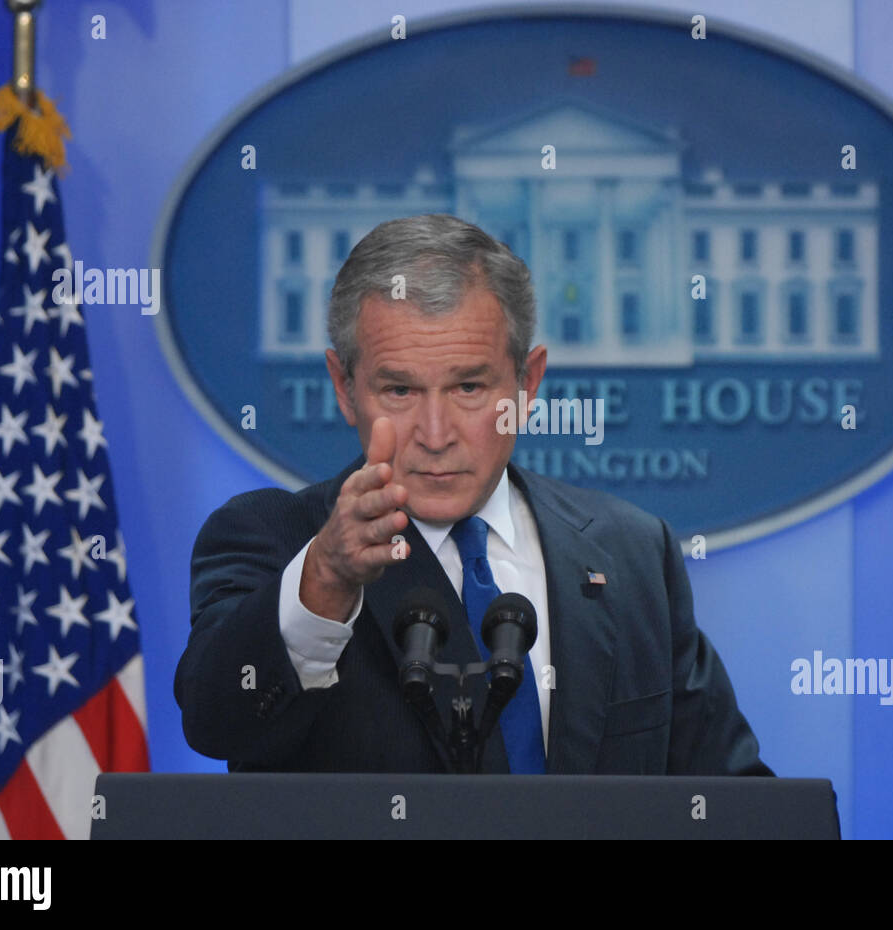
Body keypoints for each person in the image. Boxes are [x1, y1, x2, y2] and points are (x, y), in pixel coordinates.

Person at [174, 213, 772, 776]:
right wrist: (326, 578)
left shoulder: (634, 554)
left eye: (468, 387)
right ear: (345, 387)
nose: (436, 436)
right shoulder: (276, 541)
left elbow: (731, 799)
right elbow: (216, 721)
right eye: (400, 391)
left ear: (526, 382)